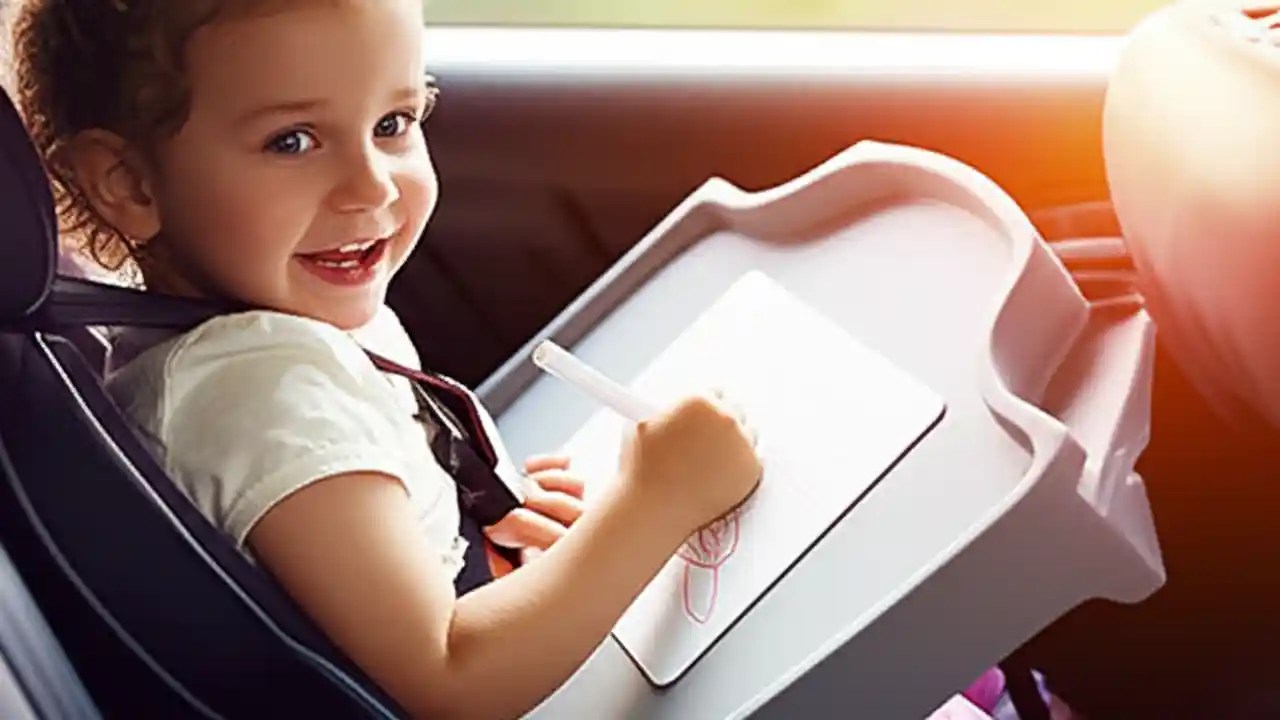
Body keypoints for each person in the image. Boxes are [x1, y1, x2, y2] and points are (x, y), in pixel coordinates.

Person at [5, 1, 762, 717]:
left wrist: (465, 530)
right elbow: (453, 678)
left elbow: (347, 568)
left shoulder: (255, 341)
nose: (372, 186)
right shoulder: (258, 392)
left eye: (394, 123)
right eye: (292, 141)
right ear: (130, 182)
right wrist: (655, 502)